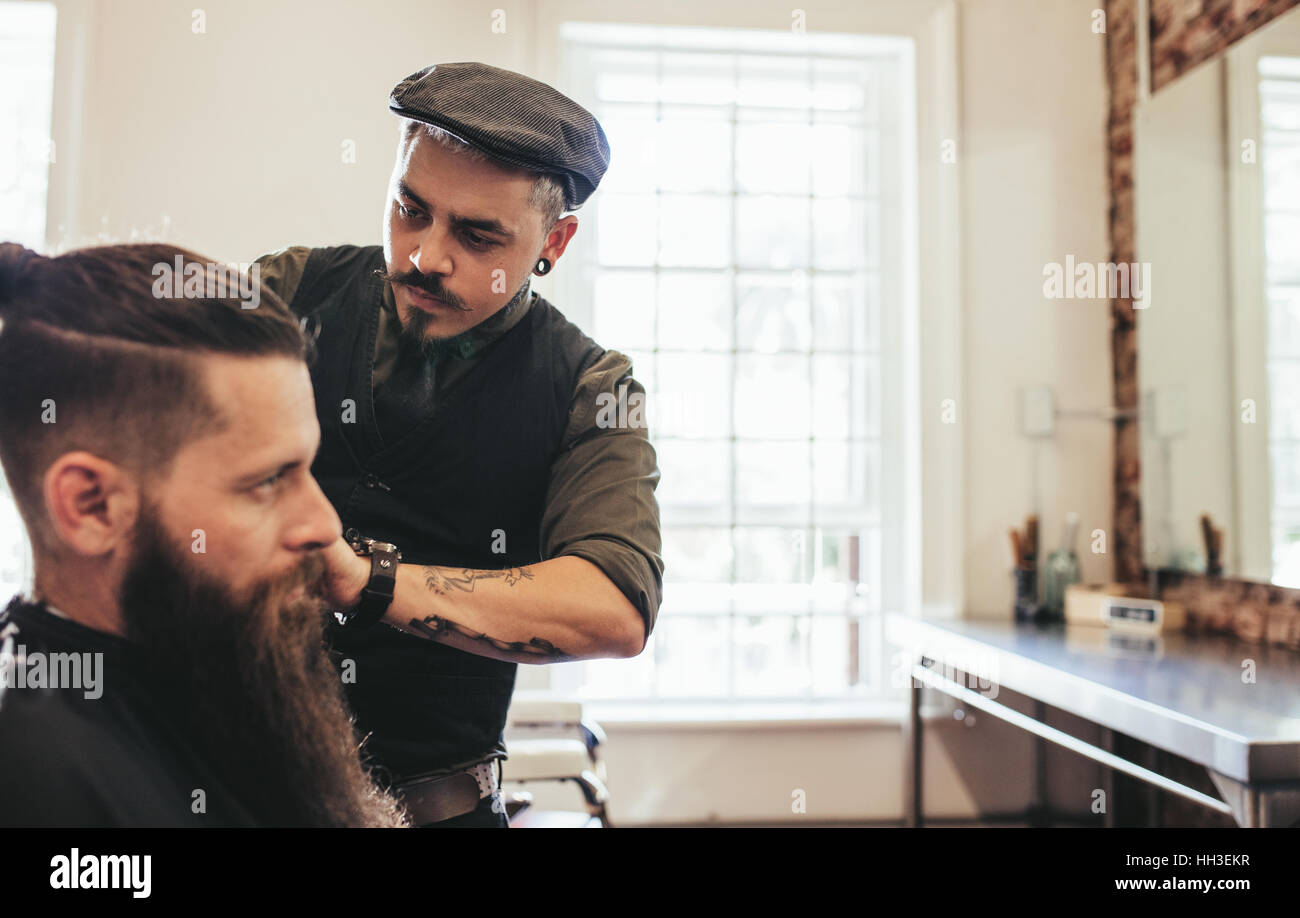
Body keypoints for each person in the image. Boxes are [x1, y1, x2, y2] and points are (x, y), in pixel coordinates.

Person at [255, 61, 664, 827]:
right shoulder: (291, 291)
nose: (425, 257)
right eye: (410, 209)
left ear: (557, 240)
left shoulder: (591, 390)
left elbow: (613, 607)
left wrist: (365, 581)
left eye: (478, 236)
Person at [0, 242, 407, 827]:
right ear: (91, 506)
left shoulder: (213, 660)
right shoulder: (38, 777)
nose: (324, 527)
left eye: (306, 470)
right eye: (267, 480)